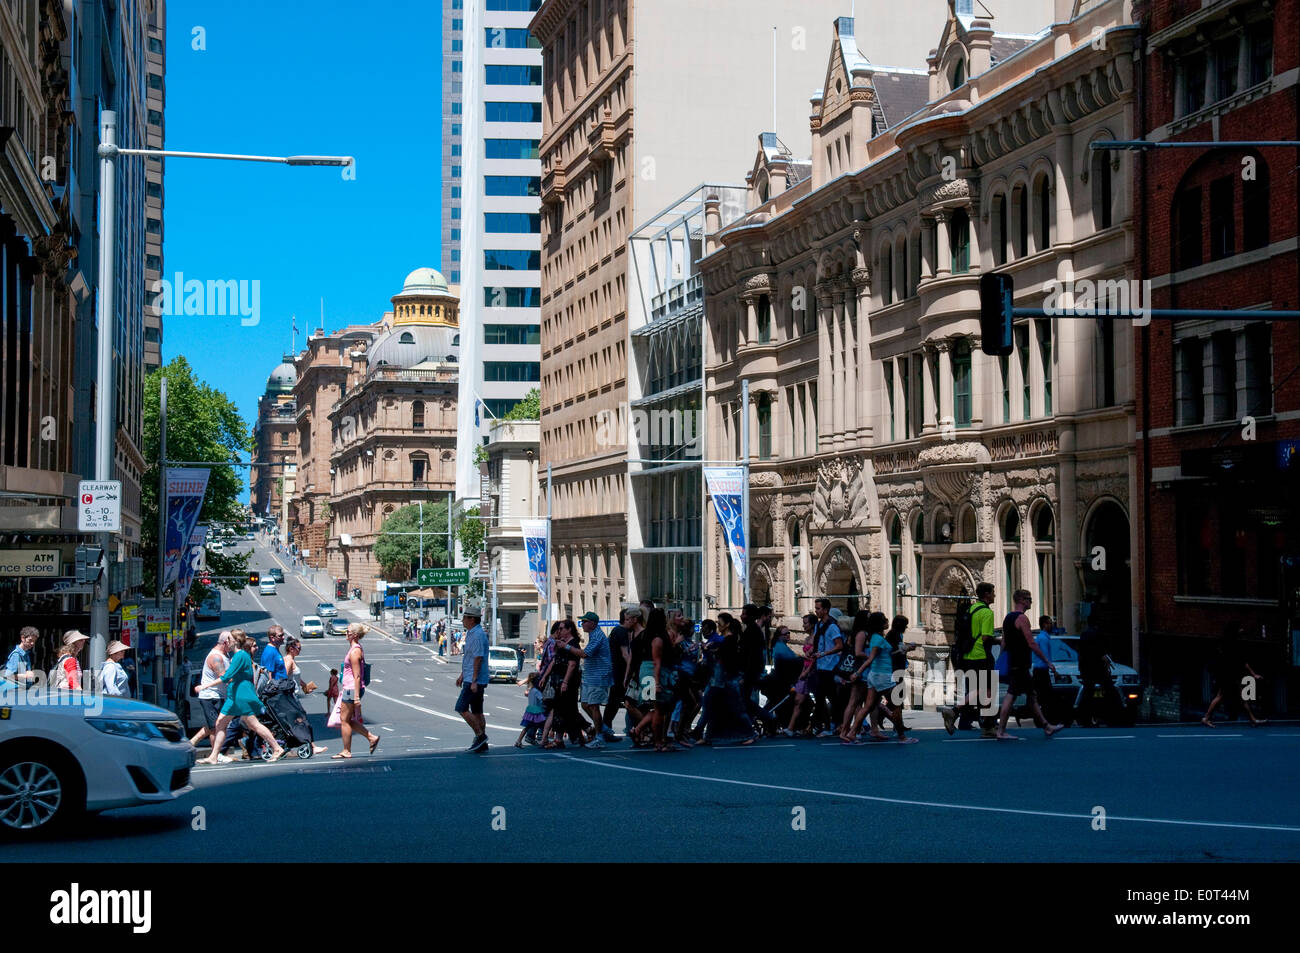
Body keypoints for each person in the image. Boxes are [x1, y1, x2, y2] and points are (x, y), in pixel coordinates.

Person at [194, 634, 286, 765]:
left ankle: (277, 748)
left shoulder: (240, 656)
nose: (227, 643)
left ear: (235, 642)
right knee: (220, 723)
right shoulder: (238, 656)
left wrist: (204, 686)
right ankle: (214, 756)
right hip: (234, 696)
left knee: (253, 724)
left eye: (229, 640)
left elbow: (226, 676)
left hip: (241, 696)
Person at [994, 590, 1064, 740]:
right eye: (1029, 599)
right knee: (1011, 695)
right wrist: (1047, 661)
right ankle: (1001, 731)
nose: (1031, 601)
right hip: (1020, 663)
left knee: (1031, 695)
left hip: (1015, 662)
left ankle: (1046, 726)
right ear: (1021, 600)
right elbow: (1031, 642)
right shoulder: (1022, 618)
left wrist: (1001, 659)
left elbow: (1004, 642)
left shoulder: (1007, 618)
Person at [940, 583, 1000, 737]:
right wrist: (999, 641)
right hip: (981, 655)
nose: (994, 595)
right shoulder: (987, 613)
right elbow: (986, 637)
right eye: (993, 592)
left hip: (967, 655)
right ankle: (955, 711)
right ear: (986, 594)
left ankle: (987, 726)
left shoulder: (971, 609)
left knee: (983, 690)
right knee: (984, 690)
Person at [333, 623, 381, 759]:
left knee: (344, 720)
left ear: (354, 635)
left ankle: (347, 750)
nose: (345, 634)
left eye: (348, 632)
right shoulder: (355, 648)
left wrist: (356, 697)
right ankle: (371, 738)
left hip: (351, 689)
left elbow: (357, 675)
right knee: (347, 719)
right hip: (351, 688)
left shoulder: (355, 651)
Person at [1202, 625, 1266, 728]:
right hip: (1229, 676)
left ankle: (1253, 720)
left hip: (1229, 675)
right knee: (1221, 696)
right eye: (1240, 629)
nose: (1242, 630)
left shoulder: (1225, 644)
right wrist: (1254, 675)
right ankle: (1206, 718)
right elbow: (1244, 662)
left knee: (1239, 698)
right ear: (1235, 632)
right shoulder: (1234, 644)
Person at [190, 632, 235, 759]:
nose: (233, 646)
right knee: (216, 727)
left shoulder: (224, 655)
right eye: (232, 642)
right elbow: (224, 677)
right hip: (211, 696)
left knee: (215, 724)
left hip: (219, 695)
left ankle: (192, 742)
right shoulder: (216, 657)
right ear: (225, 642)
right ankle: (216, 755)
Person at [283, 635, 329, 755]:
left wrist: (304, 686)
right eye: (299, 648)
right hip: (291, 697)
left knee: (300, 721)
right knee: (302, 721)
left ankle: (308, 745)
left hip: (293, 696)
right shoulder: (288, 660)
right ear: (291, 648)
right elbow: (284, 678)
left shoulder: (292, 659)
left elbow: (294, 677)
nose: (300, 650)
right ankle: (312, 746)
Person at [456, 606, 490, 753]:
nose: (463, 620)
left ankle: (480, 736)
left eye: (465, 617)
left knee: (461, 707)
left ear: (472, 619)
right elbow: (469, 658)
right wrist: (462, 675)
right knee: (477, 711)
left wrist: (473, 680)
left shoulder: (477, 635)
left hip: (474, 680)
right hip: (471, 677)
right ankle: (482, 743)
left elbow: (478, 658)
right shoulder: (472, 633)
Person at [808, 599, 843, 736]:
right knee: (822, 698)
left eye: (818, 608)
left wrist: (824, 653)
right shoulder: (818, 625)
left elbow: (839, 645)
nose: (816, 611)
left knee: (828, 698)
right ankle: (828, 725)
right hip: (821, 666)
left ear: (826, 610)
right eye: (816, 608)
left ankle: (830, 726)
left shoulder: (832, 626)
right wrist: (812, 651)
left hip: (830, 666)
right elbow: (818, 643)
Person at [576, 612, 612, 748]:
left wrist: (567, 647)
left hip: (598, 676)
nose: (582, 624)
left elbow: (585, 654)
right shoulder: (593, 635)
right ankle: (603, 728)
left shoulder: (597, 636)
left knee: (594, 706)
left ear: (592, 623)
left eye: (585, 621)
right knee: (585, 704)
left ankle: (599, 737)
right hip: (591, 675)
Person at [602, 608, 632, 741]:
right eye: (632, 618)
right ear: (626, 619)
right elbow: (625, 654)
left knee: (615, 702)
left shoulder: (617, 630)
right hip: (619, 671)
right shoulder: (621, 632)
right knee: (618, 701)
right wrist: (631, 670)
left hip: (615, 670)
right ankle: (606, 729)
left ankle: (606, 728)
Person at [1032, 615, 1059, 724]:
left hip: (1041, 671)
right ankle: (1046, 720)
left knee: (1042, 697)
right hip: (1041, 672)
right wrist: (1053, 669)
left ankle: (1043, 719)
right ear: (1044, 625)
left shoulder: (1043, 637)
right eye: (1049, 623)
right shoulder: (1043, 638)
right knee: (1046, 697)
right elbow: (1044, 655)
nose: (1051, 625)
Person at [515, 672, 546, 747]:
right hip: (537, 711)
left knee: (528, 726)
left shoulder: (531, 690)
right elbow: (542, 699)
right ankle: (543, 740)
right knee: (543, 725)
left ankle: (518, 741)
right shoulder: (536, 691)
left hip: (530, 710)